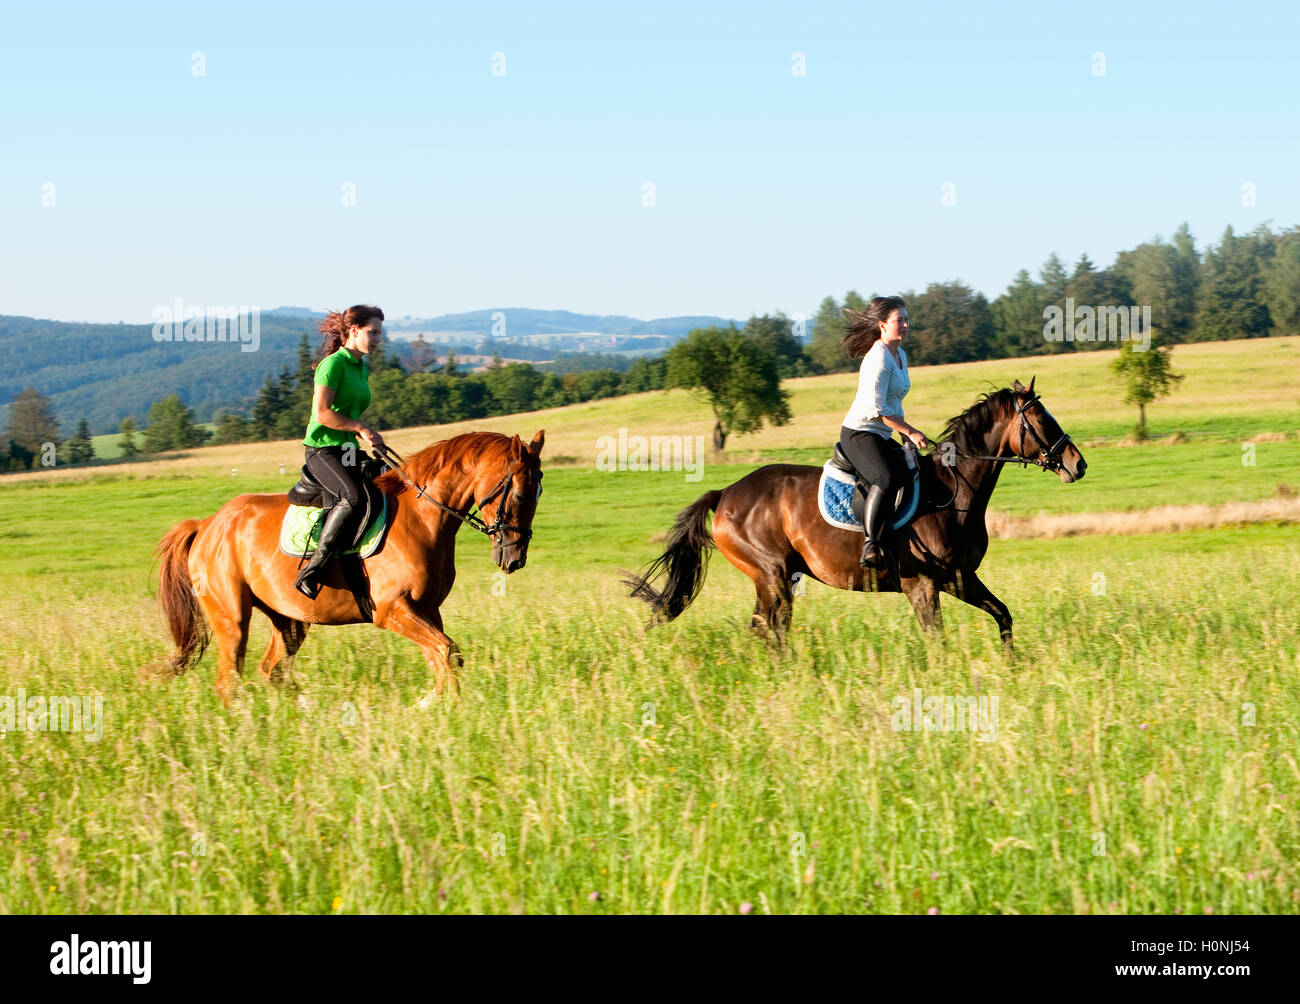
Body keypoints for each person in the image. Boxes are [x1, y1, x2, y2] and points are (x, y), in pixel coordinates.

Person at [293, 304, 387, 599]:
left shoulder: (360, 367)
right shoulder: (333, 365)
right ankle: (313, 570)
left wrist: (369, 438)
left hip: (346, 449)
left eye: (379, 334)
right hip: (323, 450)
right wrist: (361, 428)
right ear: (354, 331)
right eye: (372, 333)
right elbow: (322, 414)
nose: (377, 339)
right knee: (354, 497)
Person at [839, 296, 934, 568]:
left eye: (906, 319)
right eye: (899, 320)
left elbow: (895, 403)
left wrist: (905, 435)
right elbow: (878, 409)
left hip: (881, 433)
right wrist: (910, 431)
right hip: (860, 433)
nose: (905, 325)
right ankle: (871, 544)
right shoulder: (878, 359)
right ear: (882, 326)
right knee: (886, 478)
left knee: (913, 470)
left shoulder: (900, 355)